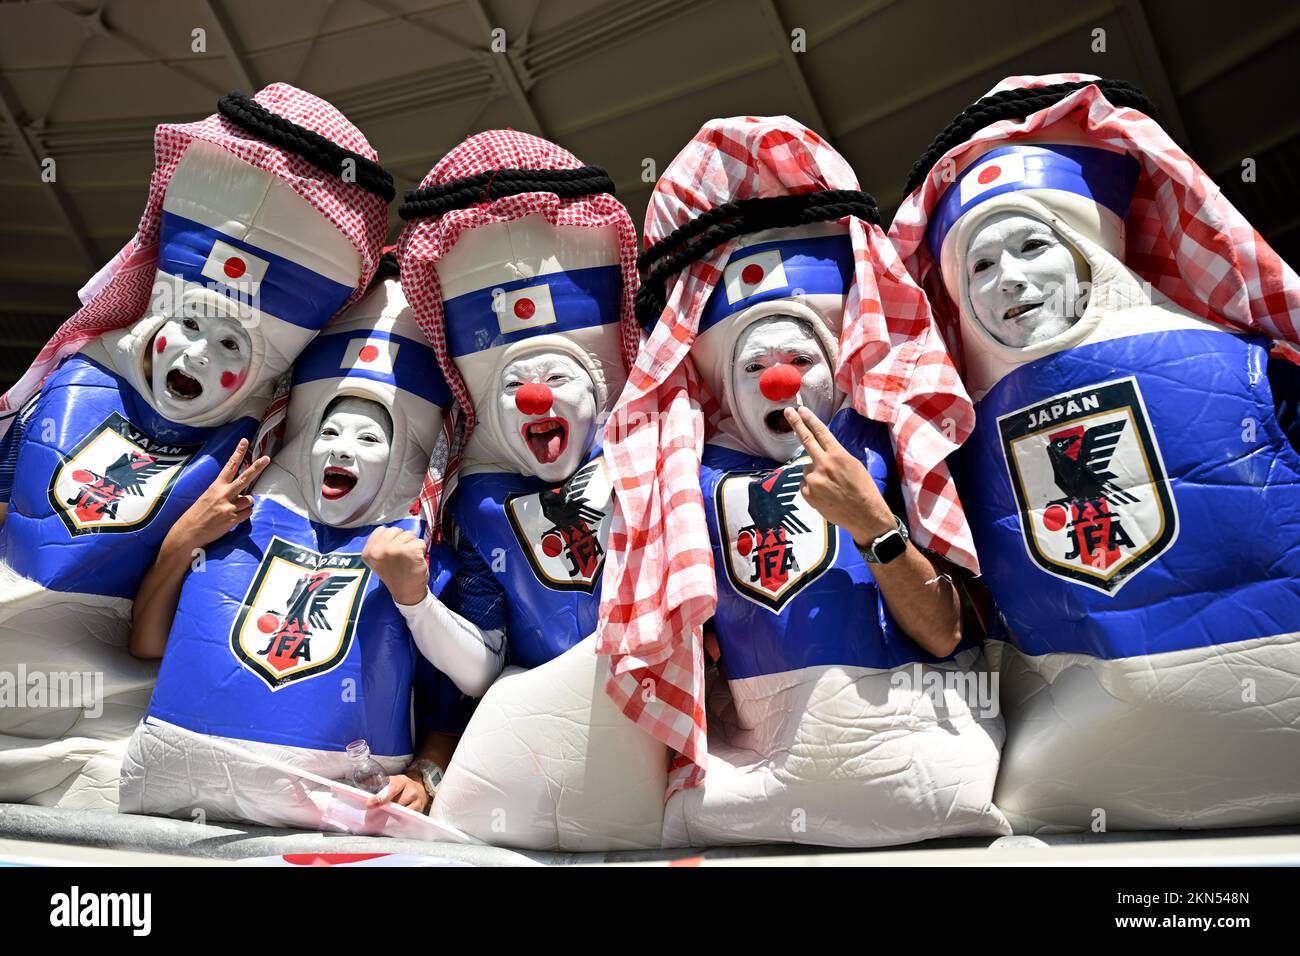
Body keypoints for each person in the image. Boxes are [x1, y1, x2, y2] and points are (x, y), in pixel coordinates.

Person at [891, 74, 1300, 831]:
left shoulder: (1256, 367)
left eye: (1031, 245)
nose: (1007, 278)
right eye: (978, 264)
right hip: (1079, 806)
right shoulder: (950, 455)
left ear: (1085, 245)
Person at [0, 84, 391, 810]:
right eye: (190, 325)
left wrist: (185, 538)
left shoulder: (259, 463)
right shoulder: (62, 388)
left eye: (230, 342)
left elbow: (161, 641)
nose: (198, 359)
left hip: (105, 739)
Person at [624, 115, 1008, 847]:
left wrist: (874, 526)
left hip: (929, 766)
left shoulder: (899, 442)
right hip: (749, 806)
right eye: (754, 365)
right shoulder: (681, 489)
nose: (779, 381)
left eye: (800, 360)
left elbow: (948, 631)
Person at [119, 268, 489, 835]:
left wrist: (426, 773)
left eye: (370, 438)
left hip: (333, 831)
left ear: (400, 460)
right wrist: (183, 538)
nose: (342, 449)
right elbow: (147, 644)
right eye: (330, 430)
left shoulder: (424, 560)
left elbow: (454, 706)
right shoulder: (236, 524)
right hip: (177, 815)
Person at [395, 130, 669, 850]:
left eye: (560, 379)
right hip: (536, 739)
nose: (535, 396)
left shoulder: (663, 464)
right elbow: (482, 664)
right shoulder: (479, 511)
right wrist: (416, 601)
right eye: (510, 383)